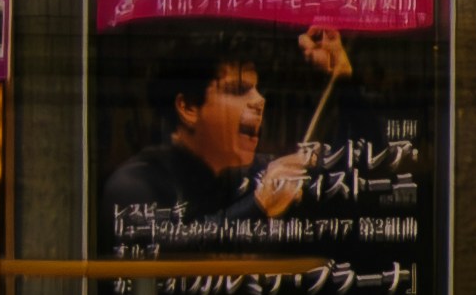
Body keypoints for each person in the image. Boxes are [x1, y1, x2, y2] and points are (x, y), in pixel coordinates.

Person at [103, 25, 353, 244]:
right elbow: (169, 253)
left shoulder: (259, 172)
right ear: (189, 107)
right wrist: (257, 206)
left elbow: (357, 172)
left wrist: (344, 79)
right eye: (238, 90)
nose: (259, 100)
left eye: (256, 89)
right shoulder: (134, 184)